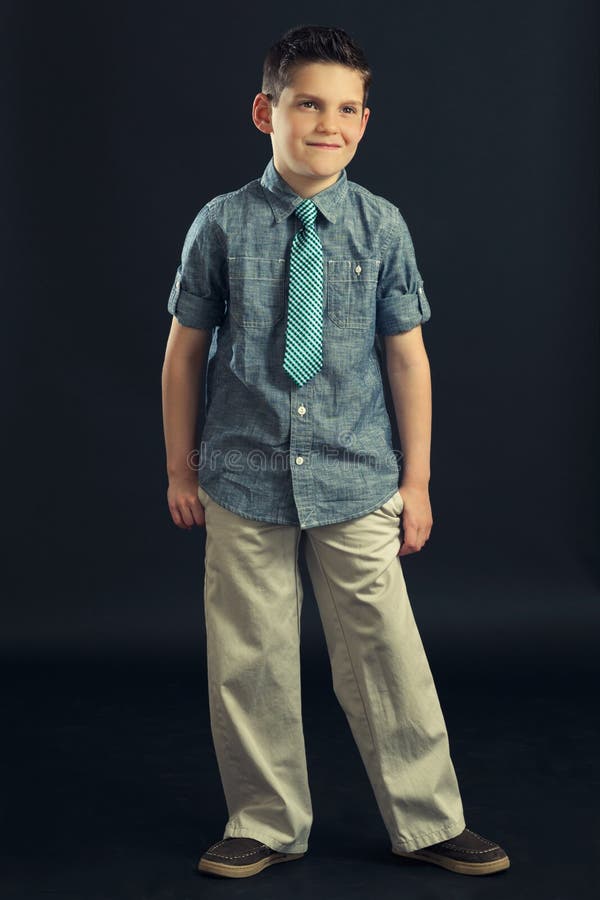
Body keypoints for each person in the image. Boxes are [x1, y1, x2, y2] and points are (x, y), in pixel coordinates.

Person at [161, 24, 510, 880]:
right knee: (250, 655)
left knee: (386, 649)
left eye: (347, 108)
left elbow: (406, 357)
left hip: (358, 479)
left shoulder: (381, 227)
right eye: (308, 103)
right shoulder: (221, 225)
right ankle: (265, 821)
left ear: (365, 119)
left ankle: (428, 820)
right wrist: (181, 468)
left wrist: (416, 481)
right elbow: (183, 351)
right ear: (265, 111)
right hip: (242, 476)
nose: (329, 123)